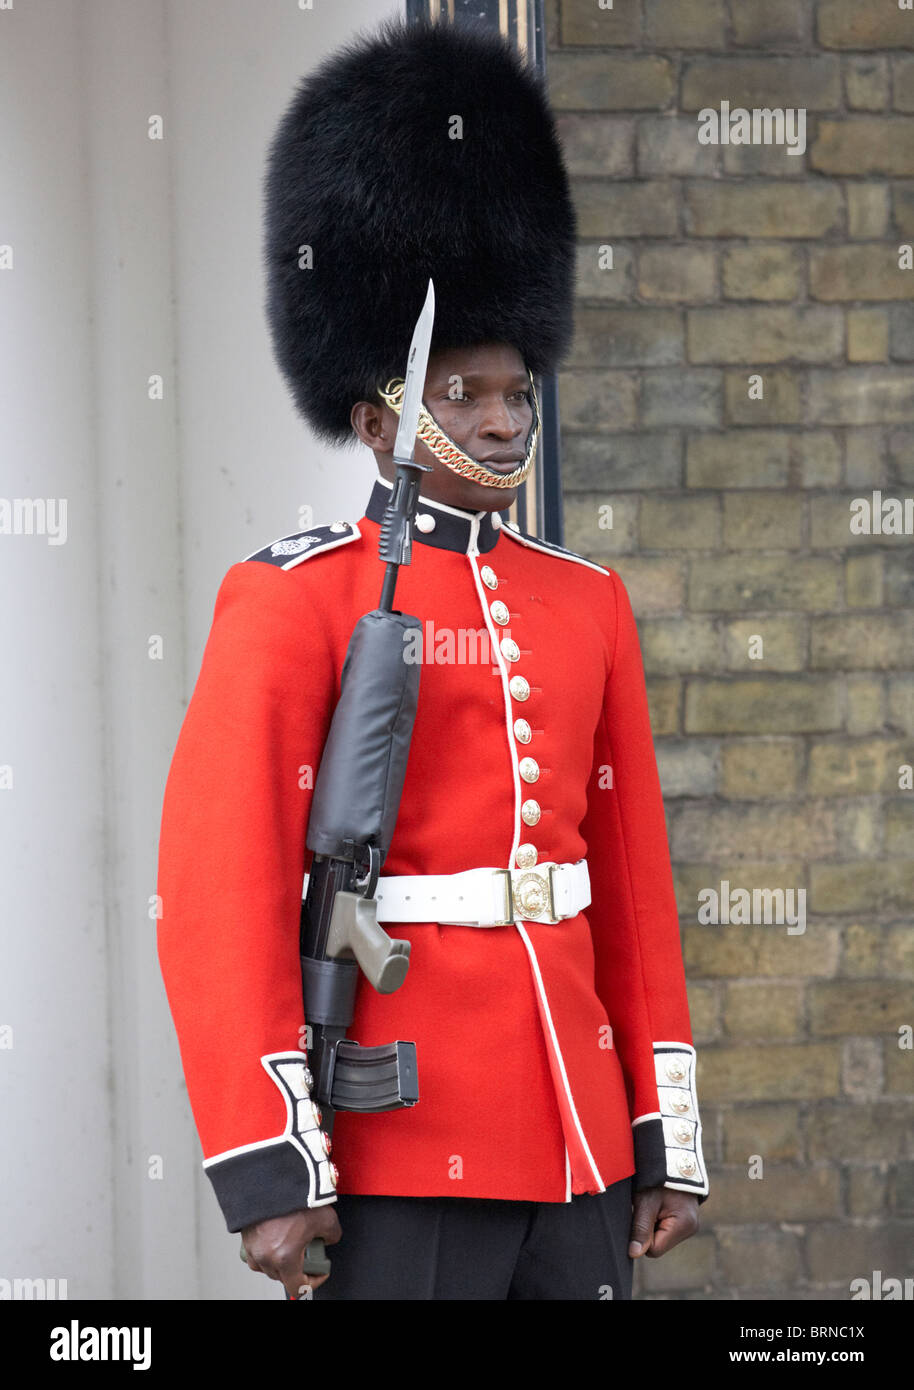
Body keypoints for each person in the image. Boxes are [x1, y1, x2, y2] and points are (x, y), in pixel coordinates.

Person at [155, 17, 709, 1302]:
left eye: (515, 388)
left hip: (574, 1133)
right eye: (460, 391)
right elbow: (223, 887)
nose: (504, 416)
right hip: (400, 1139)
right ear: (377, 413)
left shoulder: (586, 601)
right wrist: (269, 1164)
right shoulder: (293, 599)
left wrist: (658, 1130)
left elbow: (627, 886)